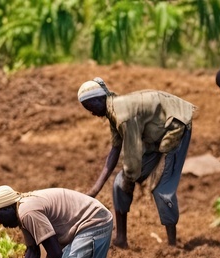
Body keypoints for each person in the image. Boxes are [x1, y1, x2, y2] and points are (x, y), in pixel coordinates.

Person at [80, 78, 196, 248]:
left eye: (90, 108)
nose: (91, 113)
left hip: (176, 126)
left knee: (162, 189)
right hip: (155, 135)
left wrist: (131, 178)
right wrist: (95, 190)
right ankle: (121, 239)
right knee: (119, 183)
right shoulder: (112, 111)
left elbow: (132, 153)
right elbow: (115, 150)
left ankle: (173, 246)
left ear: (99, 99)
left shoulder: (122, 115)